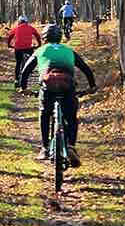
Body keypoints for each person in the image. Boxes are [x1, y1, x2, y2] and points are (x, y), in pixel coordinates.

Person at [20, 22, 96, 167]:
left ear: (44, 38)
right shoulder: (69, 51)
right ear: (60, 37)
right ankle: (71, 146)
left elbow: (25, 71)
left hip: (48, 88)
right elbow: (86, 69)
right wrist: (92, 86)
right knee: (71, 117)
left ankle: (45, 147)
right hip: (67, 87)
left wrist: (24, 88)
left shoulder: (40, 50)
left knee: (44, 113)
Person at [7, 15, 41, 88]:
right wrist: (39, 44)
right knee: (29, 63)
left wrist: (9, 45)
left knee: (18, 63)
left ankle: (16, 79)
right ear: (26, 21)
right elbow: (37, 36)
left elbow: (10, 36)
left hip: (18, 48)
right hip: (28, 48)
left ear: (19, 22)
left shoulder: (16, 28)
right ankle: (27, 74)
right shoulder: (31, 28)